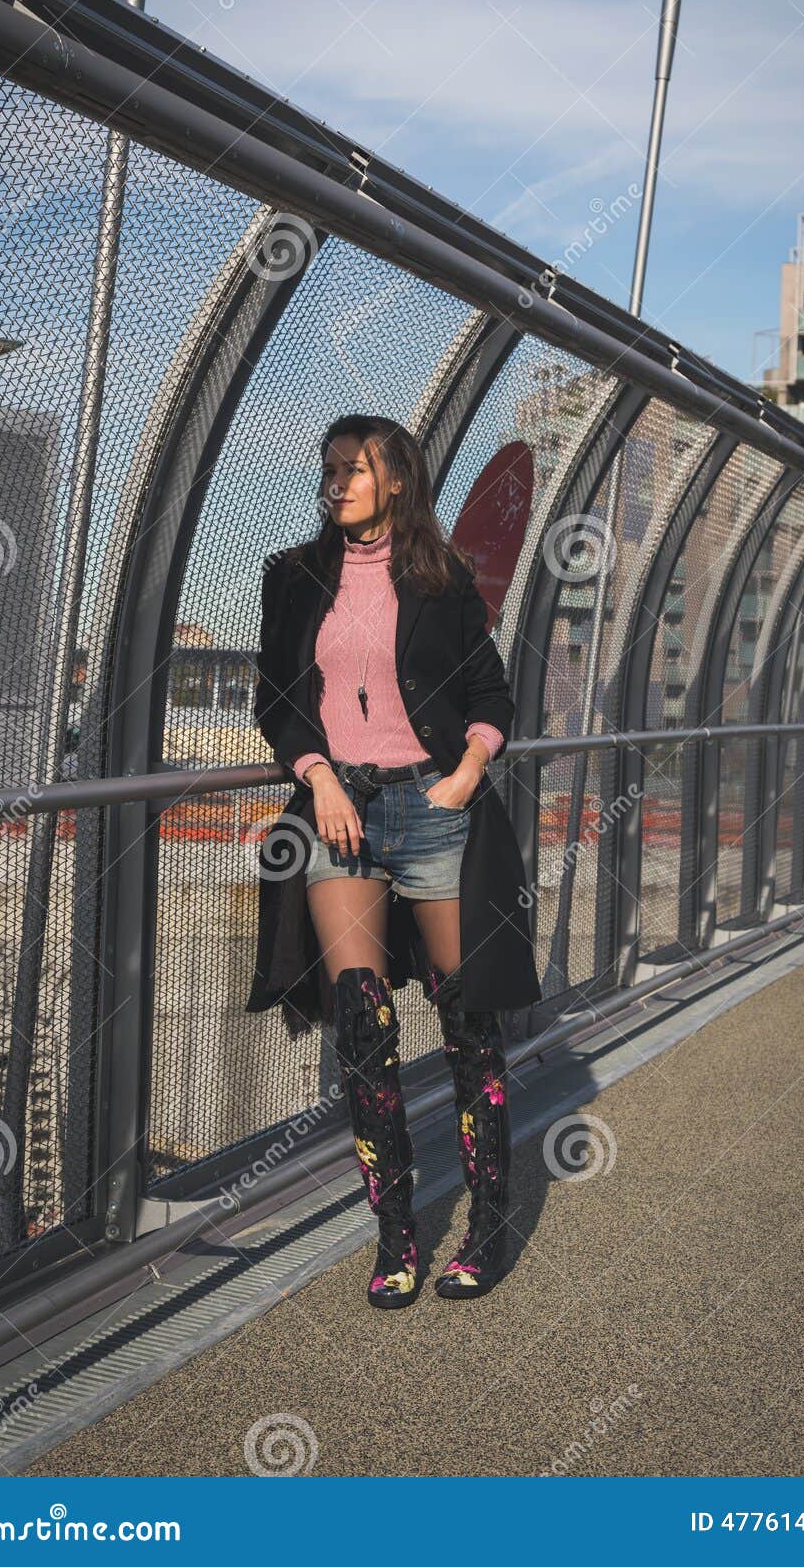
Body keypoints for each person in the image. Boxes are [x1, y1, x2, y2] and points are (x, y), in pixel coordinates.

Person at [249, 413, 541, 1308]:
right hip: (341, 819)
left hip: (433, 809)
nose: (337, 484)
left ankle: (486, 1229)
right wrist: (316, 777)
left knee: (467, 1027)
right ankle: (396, 1239)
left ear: (398, 481)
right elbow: (276, 694)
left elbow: (491, 693)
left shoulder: (442, 579)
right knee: (363, 1030)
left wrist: (467, 770)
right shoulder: (292, 577)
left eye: (356, 470)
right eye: (329, 469)